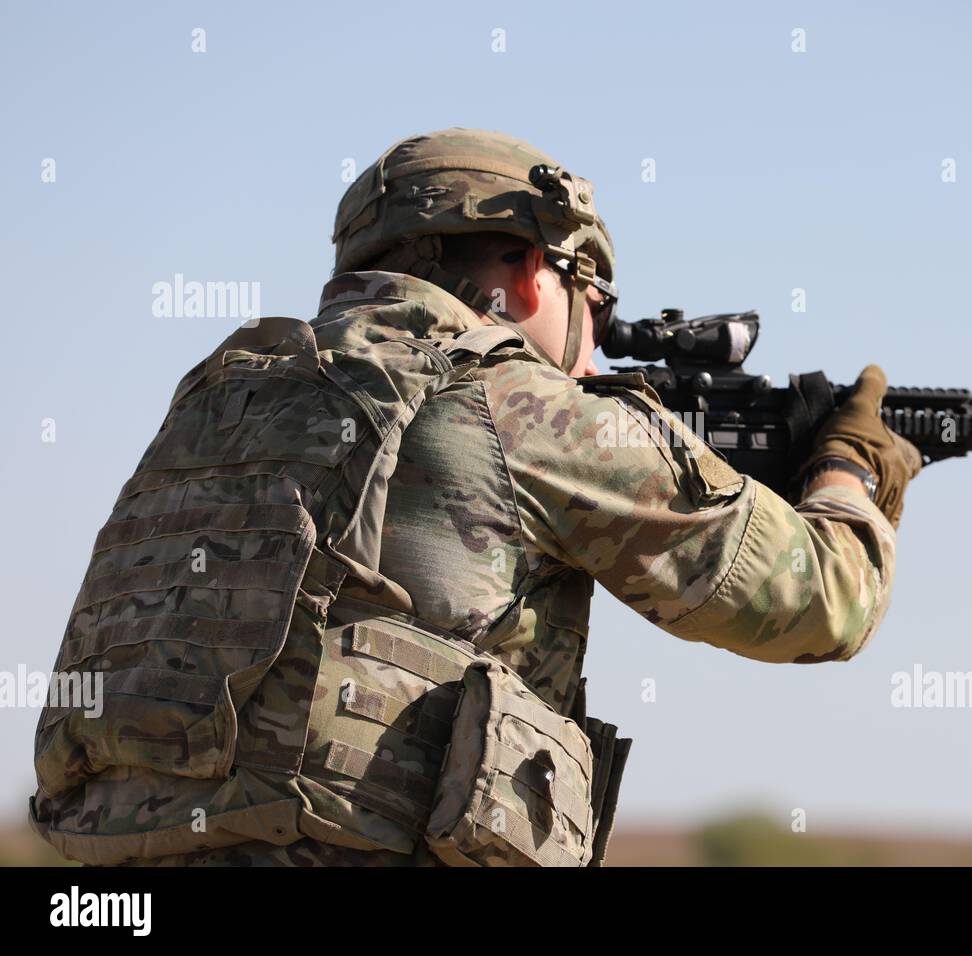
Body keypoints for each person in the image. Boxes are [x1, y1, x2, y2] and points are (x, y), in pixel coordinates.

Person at [29, 128, 921, 866]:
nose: (594, 348)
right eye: (594, 302)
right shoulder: (511, 400)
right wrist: (851, 467)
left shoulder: (216, 394)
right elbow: (823, 601)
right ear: (537, 270)